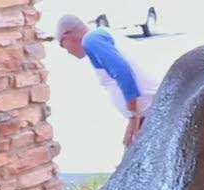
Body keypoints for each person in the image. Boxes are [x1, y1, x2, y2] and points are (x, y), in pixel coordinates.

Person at [55, 15, 160, 148]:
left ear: (67, 35)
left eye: (63, 46)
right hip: (147, 112)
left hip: (147, 112)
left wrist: (134, 116)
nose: (68, 52)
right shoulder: (100, 36)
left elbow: (123, 72)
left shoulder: (91, 40)